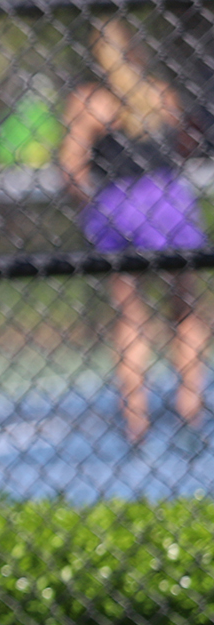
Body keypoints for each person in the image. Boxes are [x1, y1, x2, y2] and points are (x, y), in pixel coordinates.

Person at [58, 18, 210, 444]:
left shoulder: (89, 101)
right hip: (167, 201)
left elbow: (71, 167)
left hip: (118, 204)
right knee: (184, 306)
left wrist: (92, 203)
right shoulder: (161, 95)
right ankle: (190, 405)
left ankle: (135, 417)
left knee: (130, 315)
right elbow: (184, 147)